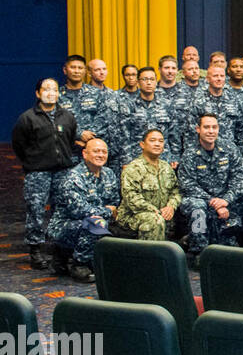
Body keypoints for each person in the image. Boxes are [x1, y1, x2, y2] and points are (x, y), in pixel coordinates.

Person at [12, 77, 79, 268]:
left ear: (59, 93)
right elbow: (19, 144)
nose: (51, 93)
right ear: (38, 93)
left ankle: (59, 248)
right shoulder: (28, 118)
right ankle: (36, 249)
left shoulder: (67, 116)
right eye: (47, 89)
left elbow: (71, 139)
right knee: (36, 210)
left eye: (55, 90)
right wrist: (32, 163)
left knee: (61, 210)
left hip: (63, 171)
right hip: (38, 172)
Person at [178, 114, 243, 264]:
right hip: (201, 201)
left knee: (228, 251)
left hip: (225, 200)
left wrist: (225, 200)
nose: (211, 131)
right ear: (198, 129)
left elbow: (241, 178)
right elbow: (187, 184)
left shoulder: (229, 148)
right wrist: (212, 201)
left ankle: (193, 238)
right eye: (206, 127)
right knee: (197, 208)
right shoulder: (190, 154)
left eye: (214, 127)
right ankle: (200, 251)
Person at [46, 137, 120, 282]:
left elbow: (114, 201)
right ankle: (80, 264)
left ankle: (68, 256)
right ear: (85, 154)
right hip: (65, 225)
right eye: (96, 151)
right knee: (95, 224)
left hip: (94, 221)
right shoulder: (73, 178)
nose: (100, 155)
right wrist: (107, 212)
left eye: (104, 152)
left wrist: (108, 211)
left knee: (117, 228)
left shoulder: (109, 174)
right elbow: (79, 211)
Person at [117, 128, 182, 241]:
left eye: (161, 141)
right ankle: (150, 258)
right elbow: (132, 198)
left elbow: (176, 191)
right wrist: (157, 211)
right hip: (133, 217)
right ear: (142, 144)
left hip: (161, 216)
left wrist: (171, 206)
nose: (157, 144)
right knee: (154, 220)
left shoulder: (166, 168)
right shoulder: (134, 168)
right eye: (152, 140)